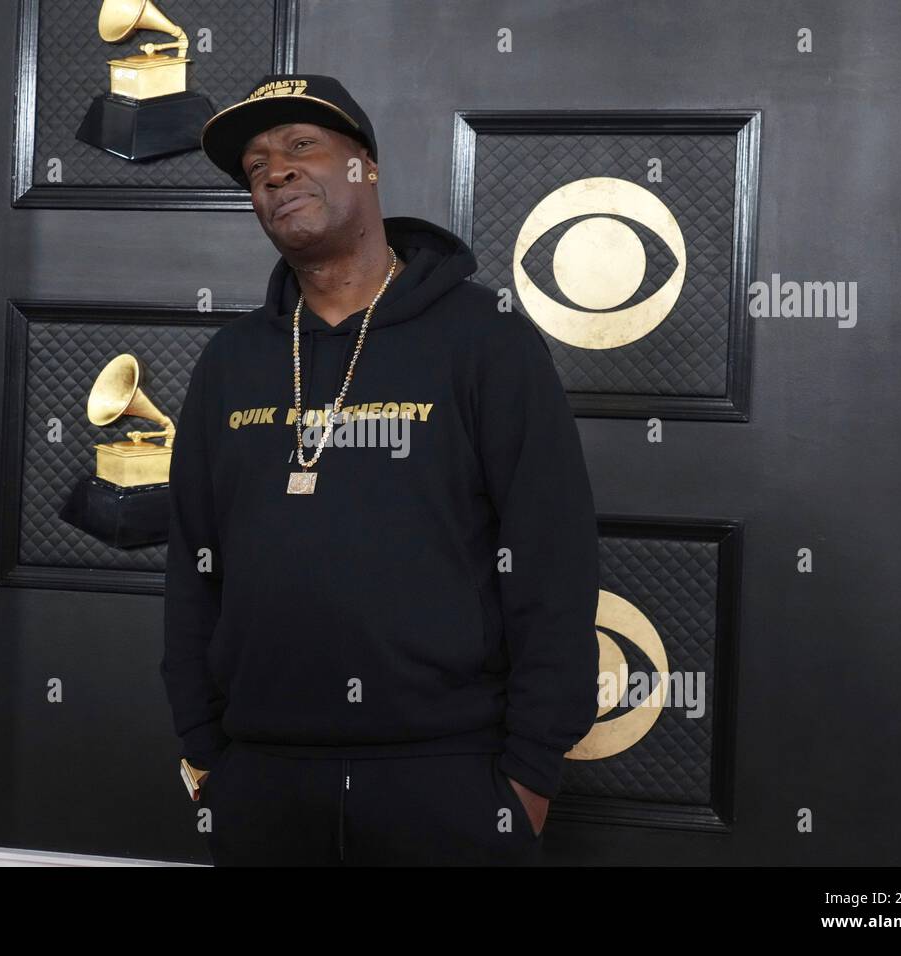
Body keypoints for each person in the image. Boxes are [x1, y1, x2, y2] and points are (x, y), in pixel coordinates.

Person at [159, 73, 600, 866]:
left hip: (448, 775)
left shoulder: (486, 340)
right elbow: (194, 568)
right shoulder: (229, 363)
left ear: (366, 166)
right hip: (261, 778)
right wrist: (205, 752)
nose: (276, 173)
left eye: (301, 147)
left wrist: (529, 775)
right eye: (257, 167)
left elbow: (553, 560)